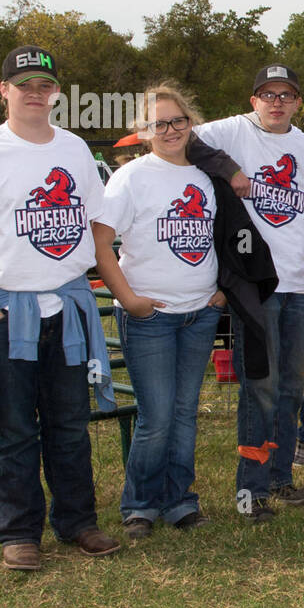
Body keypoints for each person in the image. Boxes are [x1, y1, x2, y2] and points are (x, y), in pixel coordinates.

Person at [0, 46, 120, 570]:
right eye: (24, 85)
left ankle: (78, 522)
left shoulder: (74, 149)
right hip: (8, 309)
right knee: (16, 428)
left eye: (45, 85)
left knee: (70, 423)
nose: (35, 94)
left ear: (56, 93)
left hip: (66, 307)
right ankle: (20, 532)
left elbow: (97, 221)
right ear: (4, 90)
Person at [190, 65, 304, 522]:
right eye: (267, 95)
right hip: (254, 282)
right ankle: (249, 492)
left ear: (297, 102)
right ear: (253, 100)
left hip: (294, 281)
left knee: (290, 387)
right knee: (259, 386)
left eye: (286, 95)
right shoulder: (232, 131)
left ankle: (280, 478)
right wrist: (228, 169)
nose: (276, 103)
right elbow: (183, 139)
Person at [93, 83, 227, 537]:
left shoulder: (208, 176)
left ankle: (180, 500)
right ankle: (140, 504)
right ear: (143, 130)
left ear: (191, 122)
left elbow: (229, 236)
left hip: (200, 313)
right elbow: (101, 244)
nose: (170, 130)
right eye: (158, 123)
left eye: (178, 121)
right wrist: (129, 299)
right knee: (157, 415)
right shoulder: (131, 177)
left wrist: (223, 290)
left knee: (185, 411)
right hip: (149, 317)